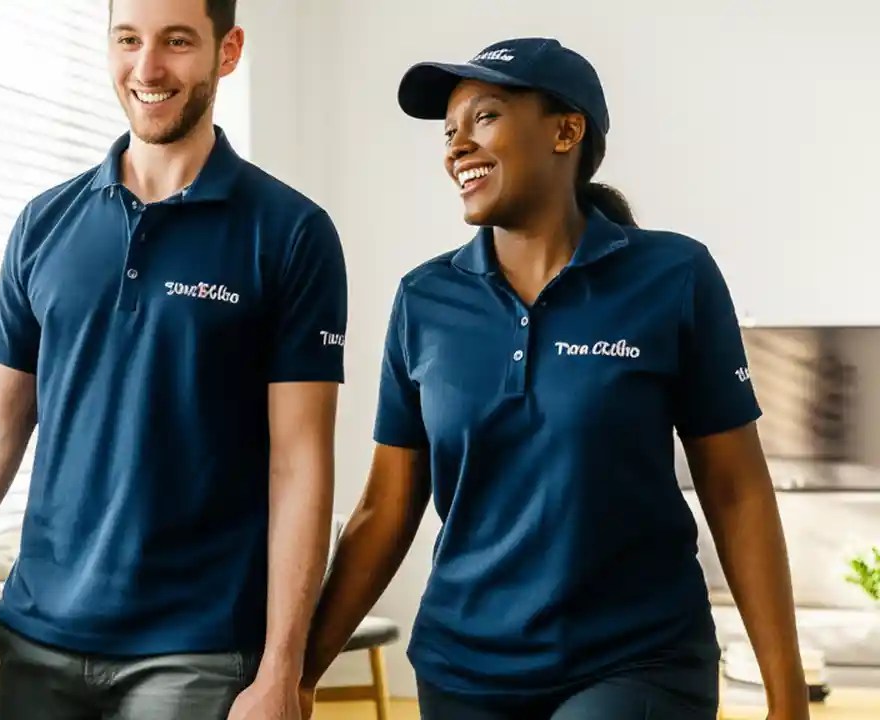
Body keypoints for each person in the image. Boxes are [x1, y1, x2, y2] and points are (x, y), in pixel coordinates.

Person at [0, 1, 348, 718]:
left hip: (195, 651)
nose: (148, 68)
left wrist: (282, 669)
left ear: (227, 51)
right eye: (128, 40)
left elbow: (300, 463)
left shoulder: (291, 233)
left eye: (177, 42)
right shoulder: (44, 225)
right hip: (38, 639)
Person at [298, 38, 811, 720]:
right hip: (462, 668)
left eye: (484, 117)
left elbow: (736, 487)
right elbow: (386, 508)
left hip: (638, 661)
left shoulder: (674, 277)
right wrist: (299, 673)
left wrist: (788, 696)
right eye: (449, 132)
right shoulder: (424, 299)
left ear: (567, 130)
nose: (456, 147)